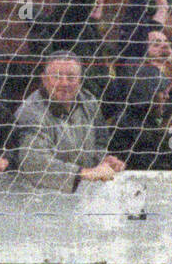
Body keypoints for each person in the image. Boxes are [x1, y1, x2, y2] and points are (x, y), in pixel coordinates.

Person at [13, 52, 125, 190]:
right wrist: (83, 173)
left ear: (80, 79)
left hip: (81, 194)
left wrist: (103, 160)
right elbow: (35, 164)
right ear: (44, 79)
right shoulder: (30, 112)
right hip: (37, 197)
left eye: (71, 77)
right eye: (57, 77)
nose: (64, 83)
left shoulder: (89, 101)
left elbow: (100, 142)